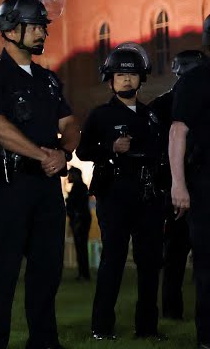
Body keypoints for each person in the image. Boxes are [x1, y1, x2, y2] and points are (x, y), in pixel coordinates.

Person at [0, 0, 79, 349]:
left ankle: (44, 341)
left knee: (47, 269)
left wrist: (63, 152)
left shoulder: (48, 80)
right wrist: (42, 155)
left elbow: (71, 123)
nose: (43, 33)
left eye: (43, 28)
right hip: (7, 184)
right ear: (12, 29)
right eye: (36, 26)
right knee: (3, 269)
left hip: (47, 186)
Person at [77, 42, 165, 340]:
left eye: (132, 74)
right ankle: (102, 329)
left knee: (150, 263)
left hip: (148, 195)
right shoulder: (100, 115)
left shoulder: (152, 116)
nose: (126, 79)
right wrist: (110, 148)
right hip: (114, 194)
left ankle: (148, 330)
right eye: (120, 74)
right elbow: (83, 150)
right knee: (112, 261)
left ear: (142, 78)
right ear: (110, 79)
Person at [152, 48, 204, 320]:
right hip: (177, 186)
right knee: (175, 253)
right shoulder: (163, 105)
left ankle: (183, 312)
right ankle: (173, 311)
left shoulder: (163, 103)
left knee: (186, 254)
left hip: (190, 184)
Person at [169, 16, 210, 349]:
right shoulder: (194, 81)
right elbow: (177, 132)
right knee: (208, 264)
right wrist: (178, 184)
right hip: (205, 181)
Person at [64, 167, 92, 281]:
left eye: (70, 174)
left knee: (81, 247)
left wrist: (77, 220)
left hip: (80, 220)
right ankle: (83, 273)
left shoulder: (79, 188)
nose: (68, 177)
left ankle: (84, 274)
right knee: (81, 247)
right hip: (80, 220)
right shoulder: (79, 187)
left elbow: (78, 207)